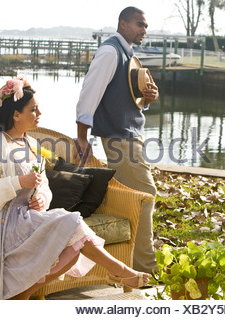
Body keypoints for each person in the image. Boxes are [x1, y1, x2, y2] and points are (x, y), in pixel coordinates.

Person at [0, 76, 150, 300]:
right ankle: (120, 271)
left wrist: (42, 200)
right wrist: (18, 182)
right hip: (0, 224)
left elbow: (43, 185)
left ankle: (22, 297)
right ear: (15, 115)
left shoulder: (31, 144)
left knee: (72, 251)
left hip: (26, 219)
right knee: (72, 223)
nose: (40, 114)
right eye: (33, 110)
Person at [75, 7, 159, 274]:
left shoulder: (127, 54)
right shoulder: (111, 52)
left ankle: (129, 261)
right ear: (122, 24)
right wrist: (81, 138)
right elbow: (90, 92)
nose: (143, 30)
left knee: (134, 199)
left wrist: (146, 99)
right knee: (146, 196)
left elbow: (128, 100)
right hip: (120, 140)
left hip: (130, 137)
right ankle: (144, 266)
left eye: (145, 26)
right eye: (138, 24)